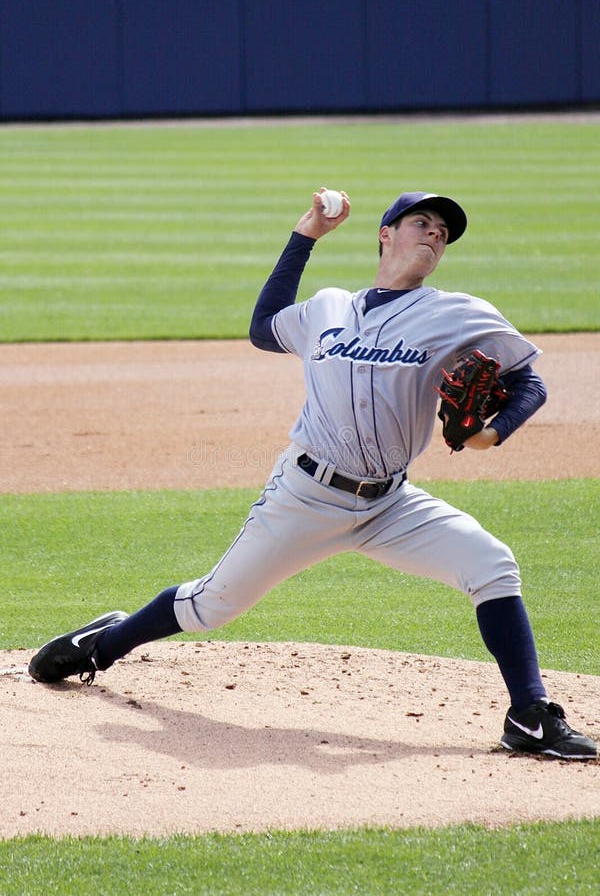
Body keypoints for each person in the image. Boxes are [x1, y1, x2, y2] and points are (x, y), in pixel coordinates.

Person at [29, 188, 597, 761]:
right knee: (211, 606)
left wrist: (490, 433)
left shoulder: (460, 314)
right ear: (386, 234)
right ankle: (100, 645)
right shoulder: (327, 307)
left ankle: (528, 717)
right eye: (421, 222)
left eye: (443, 233)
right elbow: (262, 328)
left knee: (492, 564)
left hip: (391, 505)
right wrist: (306, 236)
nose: (432, 234)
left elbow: (531, 383)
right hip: (305, 496)